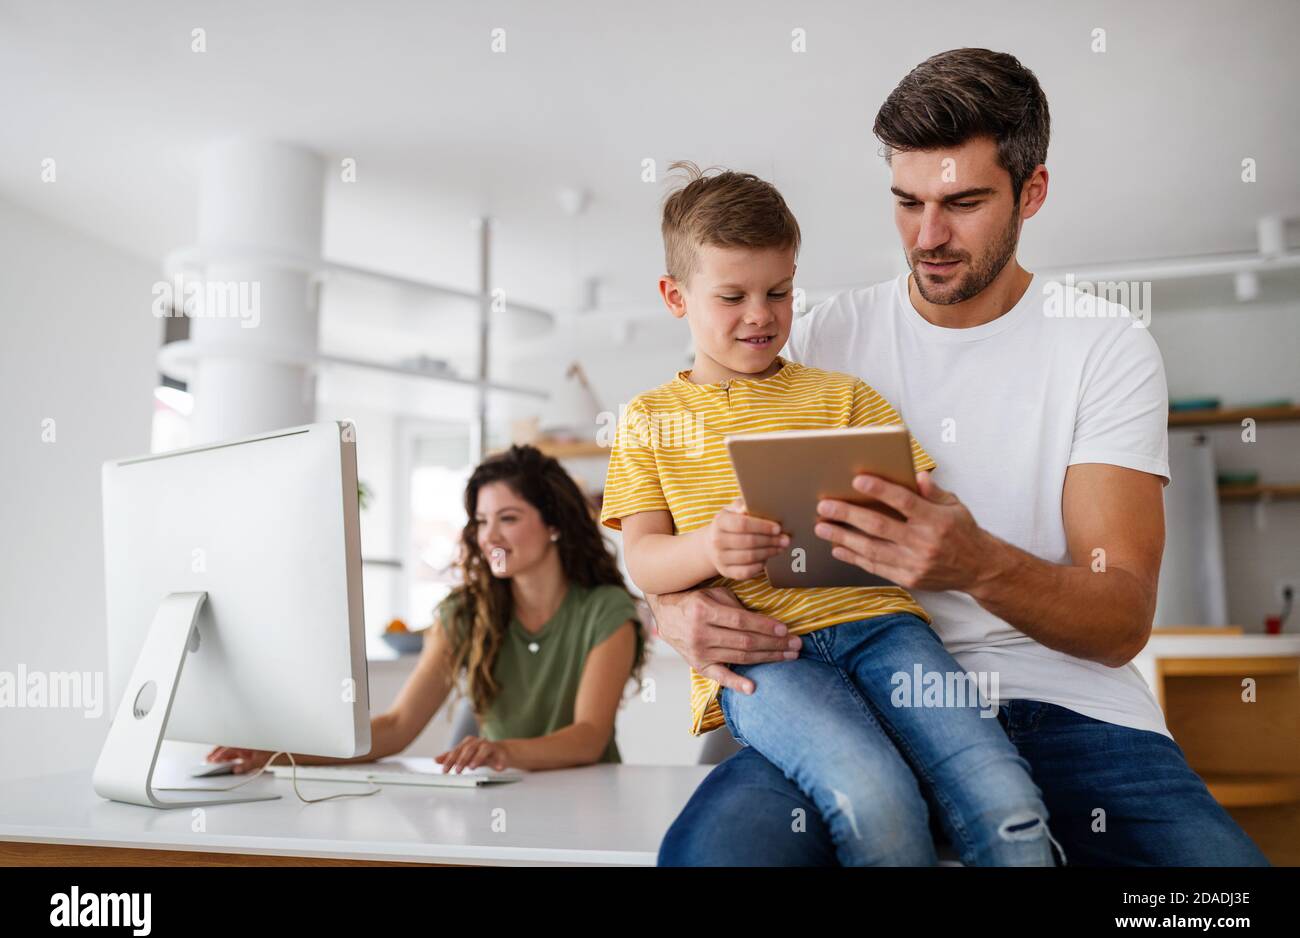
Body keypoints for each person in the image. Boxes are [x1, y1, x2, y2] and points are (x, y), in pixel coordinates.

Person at [654, 48, 1269, 866]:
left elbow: (1121, 618)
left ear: (1032, 192)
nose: (929, 236)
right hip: (847, 696)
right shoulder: (819, 334)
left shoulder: (1104, 346)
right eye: (907, 203)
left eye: (964, 202)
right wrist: (675, 614)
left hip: (1068, 709)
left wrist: (977, 564)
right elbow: (686, 508)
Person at [601, 161, 1059, 866]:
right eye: (733, 296)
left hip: (884, 631)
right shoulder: (647, 420)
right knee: (874, 799)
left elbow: (929, 506)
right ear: (674, 297)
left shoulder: (844, 397)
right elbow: (644, 561)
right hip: (764, 655)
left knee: (1011, 805)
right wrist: (709, 550)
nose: (761, 314)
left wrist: (924, 514)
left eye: (779, 291)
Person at [208, 444, 648, 775]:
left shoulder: (604, 611)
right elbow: (398, 726)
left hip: (590, 796)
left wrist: (503, 750)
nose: (489, 536)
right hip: (498, 796)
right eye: (481, 520)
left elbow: (588, 738)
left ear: (554, 525)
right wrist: (279, 753)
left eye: (508, 518)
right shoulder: (463, 614)